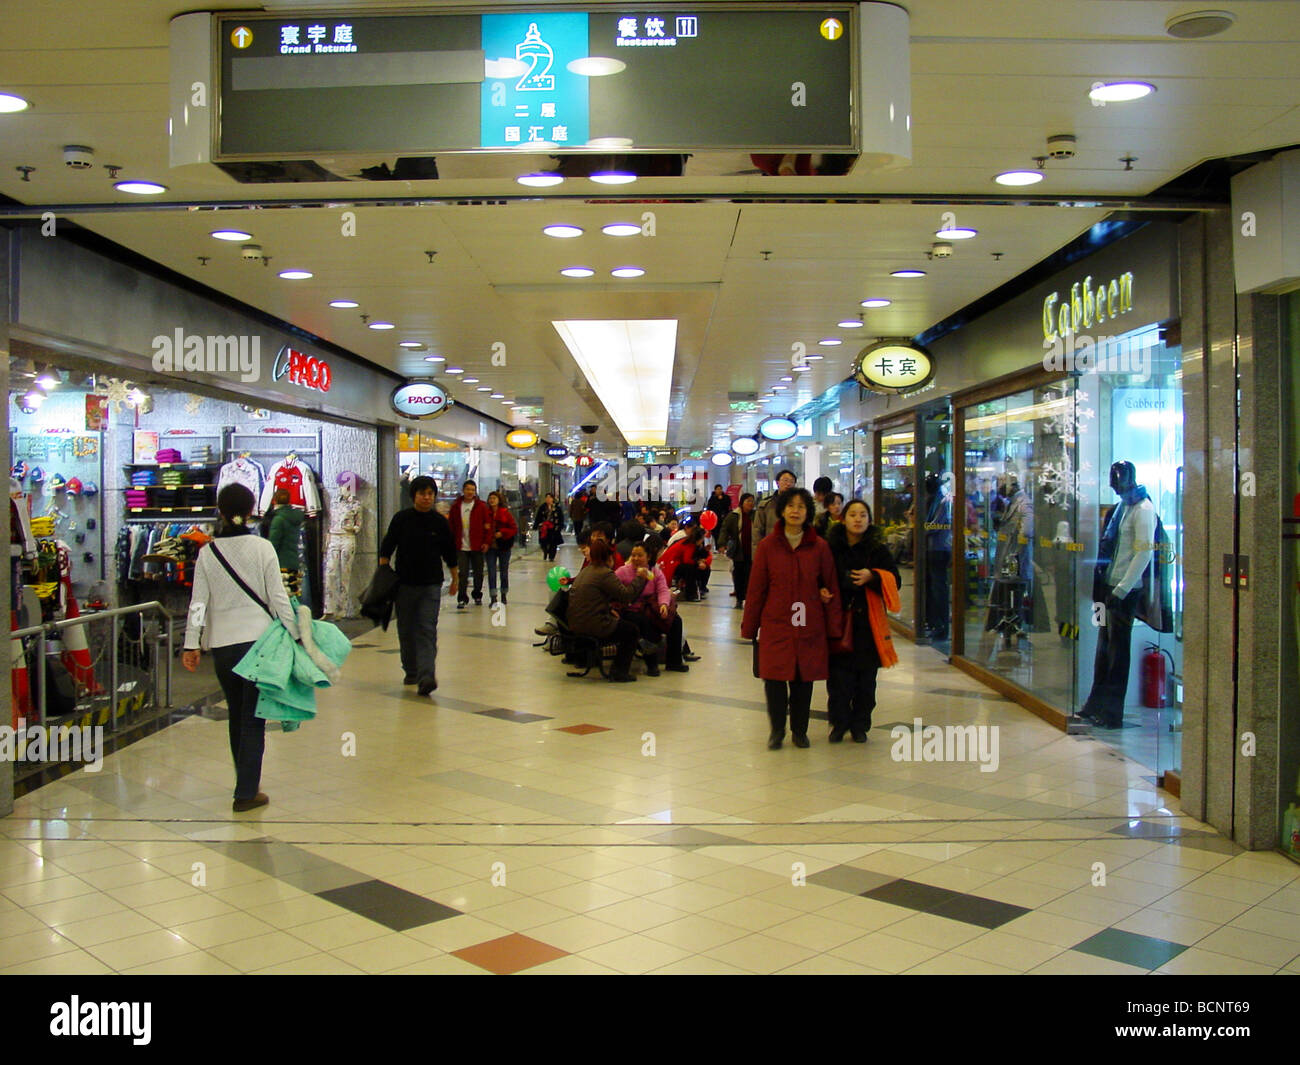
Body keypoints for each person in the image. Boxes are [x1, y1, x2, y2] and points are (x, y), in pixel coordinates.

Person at [183, 483, 300, 813]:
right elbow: (278, 598)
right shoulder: (263, 548)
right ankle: (246, 791)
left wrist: (191, 643)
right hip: (258, 644)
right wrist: (295, 635)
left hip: (222, 647)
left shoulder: (208, 552)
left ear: (220, 511)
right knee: (253, 719)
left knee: (237, 715)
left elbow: (198, 603)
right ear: (251, 512)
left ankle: (245, 784)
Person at [741, 487, 841, 750]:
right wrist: (750, 626)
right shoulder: (767, 547)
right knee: (773, 678)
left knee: (802, 678)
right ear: (782, 510)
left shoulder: (819, 547)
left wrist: (833, 624)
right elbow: (756, 589)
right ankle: (776, 730)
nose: (795, 511)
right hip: (776, 621)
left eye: (801, 507)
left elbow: (830, 584)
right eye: (791, 506)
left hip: (808, 622)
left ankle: (800, 730)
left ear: (808, 512)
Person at [826, 500, 901, 743]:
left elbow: (895, 580)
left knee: (866, 681)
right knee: (838, 680)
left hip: (869, 624)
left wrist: (874, 576)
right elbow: (819, 576)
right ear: (843, 519)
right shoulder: (831, 548)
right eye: (852, 515)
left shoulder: (877, 549)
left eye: (863, 515)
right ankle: (839, 723)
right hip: (838, 621)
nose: (857, 519)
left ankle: (860, 725)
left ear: (869, 520)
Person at [378, 475, 459, 695]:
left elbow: (449, 551)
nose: (427, 497)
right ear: (414, 495)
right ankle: (411, 670)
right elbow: (387, 547)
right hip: (404, 584)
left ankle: (426, 675)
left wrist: (455, 577)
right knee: (406, 629)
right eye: (423, 493)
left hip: (431, 585)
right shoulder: (401, 519)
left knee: (426, 628)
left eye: (430, 494)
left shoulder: (439, 522)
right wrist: (383, 571)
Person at [567, 538, 651, 683]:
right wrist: (640, 578)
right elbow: (626, 596)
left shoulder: (586, 571)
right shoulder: (604, 573)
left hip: (575, 624)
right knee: (631, 631)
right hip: (594, 625)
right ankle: (619, 671)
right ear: (608, 556)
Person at [615, 543, 689, 674]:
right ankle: (651, 663)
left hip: (651, 607)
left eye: (640, 555)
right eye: (633, 555)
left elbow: (662, 590)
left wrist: (664, 605)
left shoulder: (654, 571)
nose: (636, 558)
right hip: (632, 610)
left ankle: (674, 661)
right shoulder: (622, 572)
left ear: (648, 557)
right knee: (647, 623)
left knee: (675, 621)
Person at [448, 479, 490, 609]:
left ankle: (477, 594)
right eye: (468, 489)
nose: (470, 492)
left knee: (478, 572)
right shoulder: (456, 506)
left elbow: (488, 526)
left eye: (472, 490)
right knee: (463, 573)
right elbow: (451, 526)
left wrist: (486, 542)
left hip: (477, 545)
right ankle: (462, 598)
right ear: (463, 490)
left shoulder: (481, 506)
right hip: (461, 546)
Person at [263, 487, 305, 599]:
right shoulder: (295, 517)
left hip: (280, 563)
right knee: (294, 596)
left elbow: (273, 544)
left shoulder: (278, 519)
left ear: (274, 500)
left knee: (281, 598)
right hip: (294, 561)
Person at [719, 492, 756, 609]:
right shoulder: (734, 515)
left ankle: (750, 599)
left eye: (752, 501)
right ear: (742, 502)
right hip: (739, 551)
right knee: (739, 575)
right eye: (748, 501)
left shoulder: (756, 515)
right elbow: (724, 530)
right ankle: (740, 599)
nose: (750, 503)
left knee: (751, 576)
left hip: (753, 551)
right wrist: (722, 544)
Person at [752, 469, 797, 559]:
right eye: (785, 480)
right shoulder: (765, 505)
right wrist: (757, 556)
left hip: (794, 550)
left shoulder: (800, 506)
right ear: (777, 483)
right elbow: (757, 531)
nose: (788, 484)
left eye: (792, 481)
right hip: (772, 551)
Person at [485, 490, 518, 606]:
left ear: (499, 500)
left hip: (504, 546)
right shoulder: (486, 513)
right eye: (490, 498)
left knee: (504, 572)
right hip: (490, 547)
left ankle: (504, 594)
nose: (492, 500)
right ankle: (493, 596)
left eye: (494, 498)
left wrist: (502, 532)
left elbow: (514, 529)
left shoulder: (505, 513)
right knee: (491, 572)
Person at [534, 492, 564, 562]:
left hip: (553, 528)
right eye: (547, 498)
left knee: (553, 543)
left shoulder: (557, 508)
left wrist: (560, 525)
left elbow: (560, 517)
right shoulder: (542, 507)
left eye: (549, 498)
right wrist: (537, 525)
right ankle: (545, 551)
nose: (548, 499)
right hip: (544, 528)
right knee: (543, 542)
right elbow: (538, 517)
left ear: (552, 499)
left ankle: (551, 556)